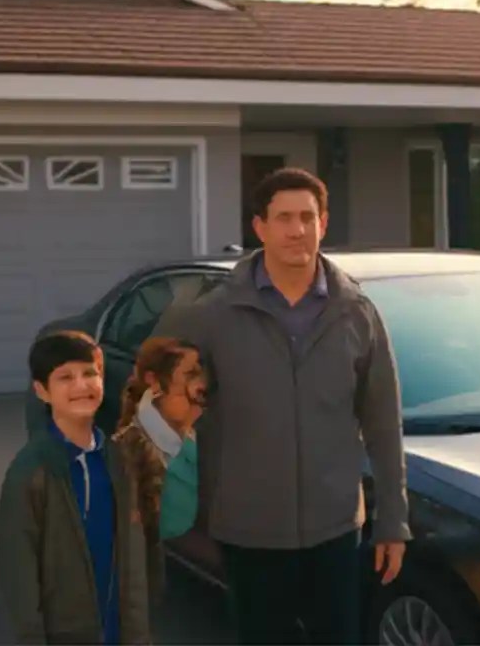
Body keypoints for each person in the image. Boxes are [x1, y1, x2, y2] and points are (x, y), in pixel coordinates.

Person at [157, 167, 409, 645]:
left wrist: (394, 519)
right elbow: (163, 408)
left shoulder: (357, 312)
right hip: (249, 530)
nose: (297, 230)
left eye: (307, 217)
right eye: (284, 218)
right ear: (260, 227)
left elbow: (382, 423)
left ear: (323, 222)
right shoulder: (212, 315)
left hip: (335, 527)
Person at [0, 330, 151, 645]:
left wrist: (139, 634)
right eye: (65, 377)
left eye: (89, 373)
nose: (81, 385)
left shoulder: (118, 460)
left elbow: (133, 557)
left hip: (118, 631)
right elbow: (18, 569)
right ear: (42, 391)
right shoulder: (31, 471)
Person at [111, 336, 208, 603]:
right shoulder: (126, 453)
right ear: (154, 382)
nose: (202, 386)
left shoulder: (192, 437)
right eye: (190, 374)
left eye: (202, 374)